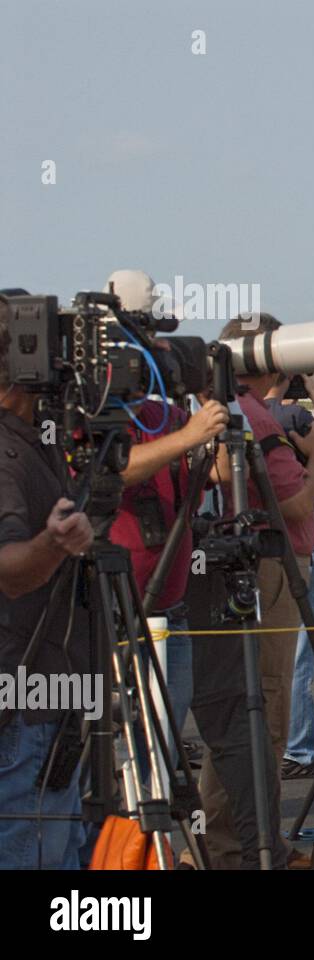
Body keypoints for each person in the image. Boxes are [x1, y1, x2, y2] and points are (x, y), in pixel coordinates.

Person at [184, 312, 314, 868]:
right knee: (261, 710)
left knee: (236, 713)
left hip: (223, 570)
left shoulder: (217, 412)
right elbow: (291, 504)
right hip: (267, 569)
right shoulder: (256, 420)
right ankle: (245, 847)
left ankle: (245, 841)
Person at [102, 270, 229, 763]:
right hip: (119, 606)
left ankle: (149, 839)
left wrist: (208, 407)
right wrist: (187, 437)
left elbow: (216, 470)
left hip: (171, 600)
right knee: (129, 746)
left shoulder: (166, 415)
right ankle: (126, 836)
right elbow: (113, 471)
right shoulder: (96, 414)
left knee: (164, 741)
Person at [0, 295, 95, 869]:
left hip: (51, 691)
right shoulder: (5, 453)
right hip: (25, 698)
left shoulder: (36, 438)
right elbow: (9, 572)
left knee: (60, 852)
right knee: (33, 853)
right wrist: (56, 544)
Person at [262, 371, 314, 781]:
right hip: (296, 550)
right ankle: (298, 748)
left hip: (268, 553)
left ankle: (291, 746)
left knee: (277, 662)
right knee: (298, 659)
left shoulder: (254, 417)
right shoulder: (291, 420)